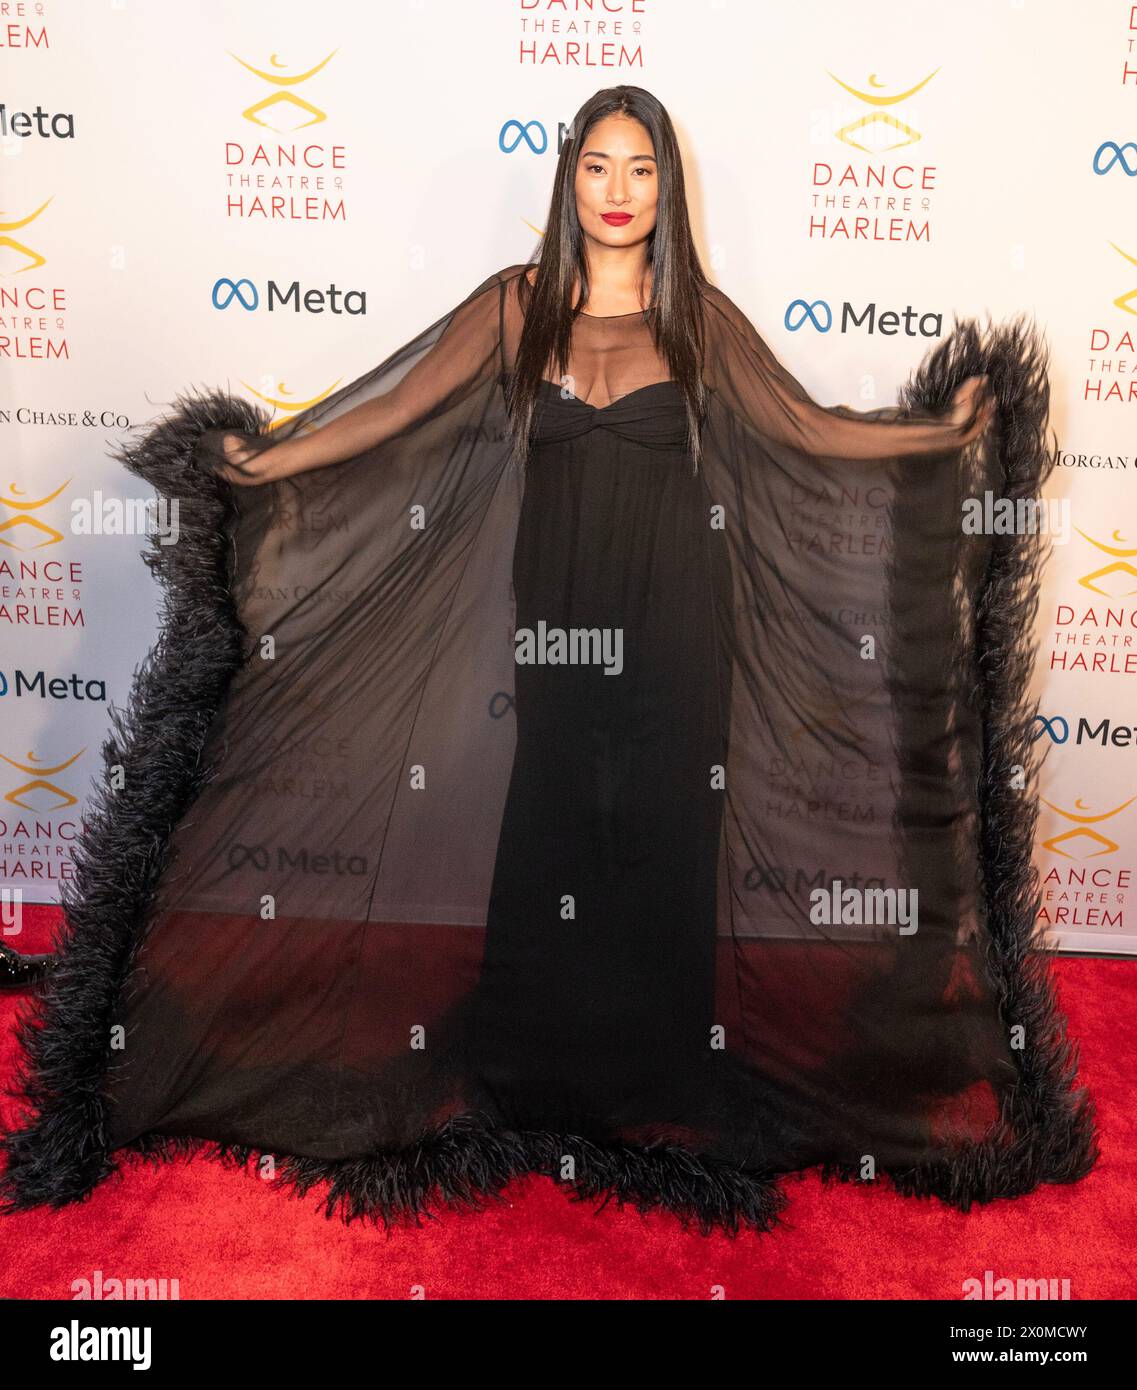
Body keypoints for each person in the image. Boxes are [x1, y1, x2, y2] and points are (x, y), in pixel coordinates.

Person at [0, 86, 1094, 1236]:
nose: (619, 194)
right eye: (597, 168)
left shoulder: (699, 326)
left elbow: (812, 433)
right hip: (558, 618)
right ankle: (536, 1061)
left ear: (668, 189)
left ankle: (657, 1070)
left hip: (679, 618)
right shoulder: (517, 309)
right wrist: (258, 469)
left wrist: (945, 435)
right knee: (558, 817)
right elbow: (388, 412)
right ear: (567, 180)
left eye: (641, 171)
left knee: (669, 825)